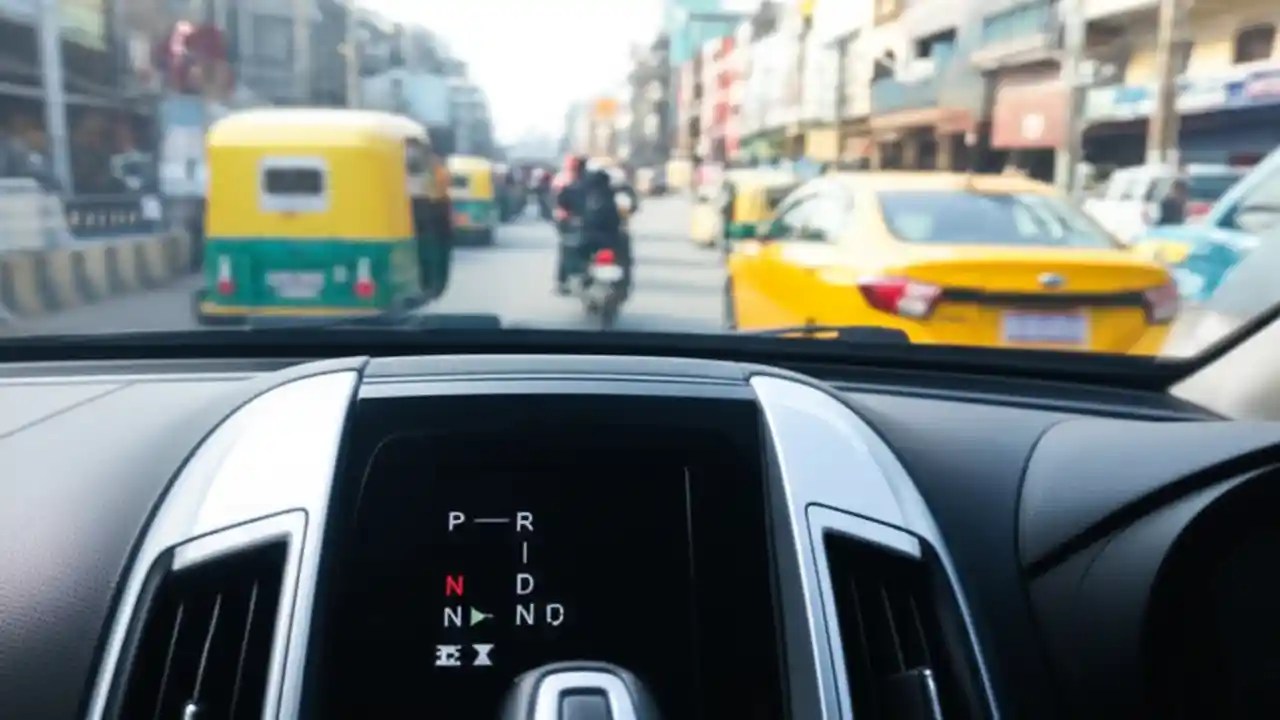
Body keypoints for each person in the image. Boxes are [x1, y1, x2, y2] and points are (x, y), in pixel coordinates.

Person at [554, 156, 590, 294]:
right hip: (573, 223)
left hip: (586, 225)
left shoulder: (587, 183)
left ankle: (564, 281)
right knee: (567, 248)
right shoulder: (565, 181)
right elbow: (560, 205)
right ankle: (563, 281)